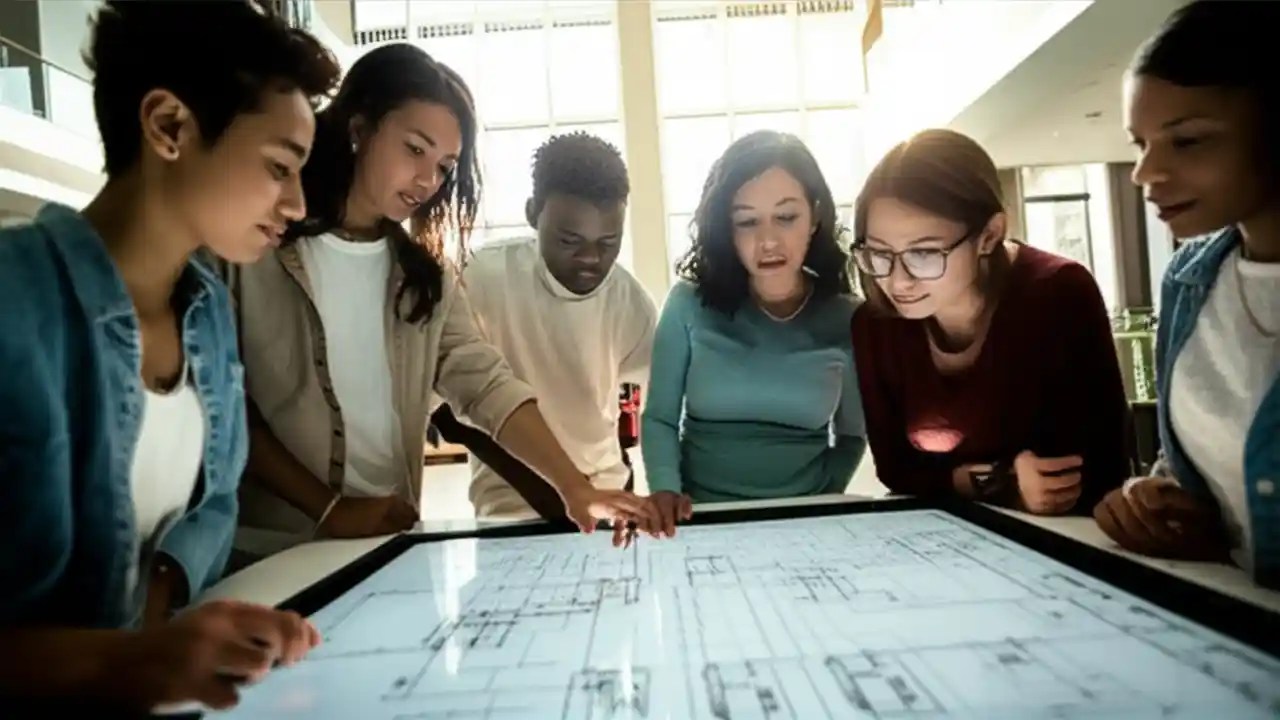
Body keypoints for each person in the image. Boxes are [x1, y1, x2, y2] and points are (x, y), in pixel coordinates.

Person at [0, 1, 340, 711]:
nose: (298, 203)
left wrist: (175, 616)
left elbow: (213, 503)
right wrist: (128, 660)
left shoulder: (208, 306)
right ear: (169, 126)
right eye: (280, 166)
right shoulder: (15, 300)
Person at [227, 44, 653, 561]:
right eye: (414, 149)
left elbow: (486, 385)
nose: (429, 180)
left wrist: (574, 488)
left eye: (445, 165)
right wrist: (329, 510)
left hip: (391, 540)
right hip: (275, 551)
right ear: (359, 129)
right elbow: (228, 410)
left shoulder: (424, 279)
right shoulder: (255, 249)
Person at [1093, 0, 1279, 586]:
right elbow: (1208, 472)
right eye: (1139, 144)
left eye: (1189, 141)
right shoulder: (1189, 279)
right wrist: (1154, 499)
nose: (1145, 174)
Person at [850, 129, 1129, 516]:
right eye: (878, 253)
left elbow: (1095, 470)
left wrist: (956, 479)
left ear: (990, 234)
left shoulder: (1058, 293)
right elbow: (897, 470)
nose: (898, 280)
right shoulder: (876, 321)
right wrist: (1005, 481)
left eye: (925, 253)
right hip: (946, 533)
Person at [642, 130, 866, 527]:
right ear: (727, 229)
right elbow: (659, 417)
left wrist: (824, 498)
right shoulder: (687, 304)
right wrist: (665, 491)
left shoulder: (848, 319)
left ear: (814, 217)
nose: (767, 241)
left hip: (807, 522)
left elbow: (851, 436)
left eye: (786, 217)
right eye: (746, 221)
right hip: (701, 520)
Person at [432, 132, 658, 521]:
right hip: (510, 502)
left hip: (608, 500)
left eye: (608, 242)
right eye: (570, 240)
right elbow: (441, 401)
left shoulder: (632, 304)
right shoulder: (479, 278)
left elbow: (640, 415)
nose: (590, 258)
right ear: (533, 212)